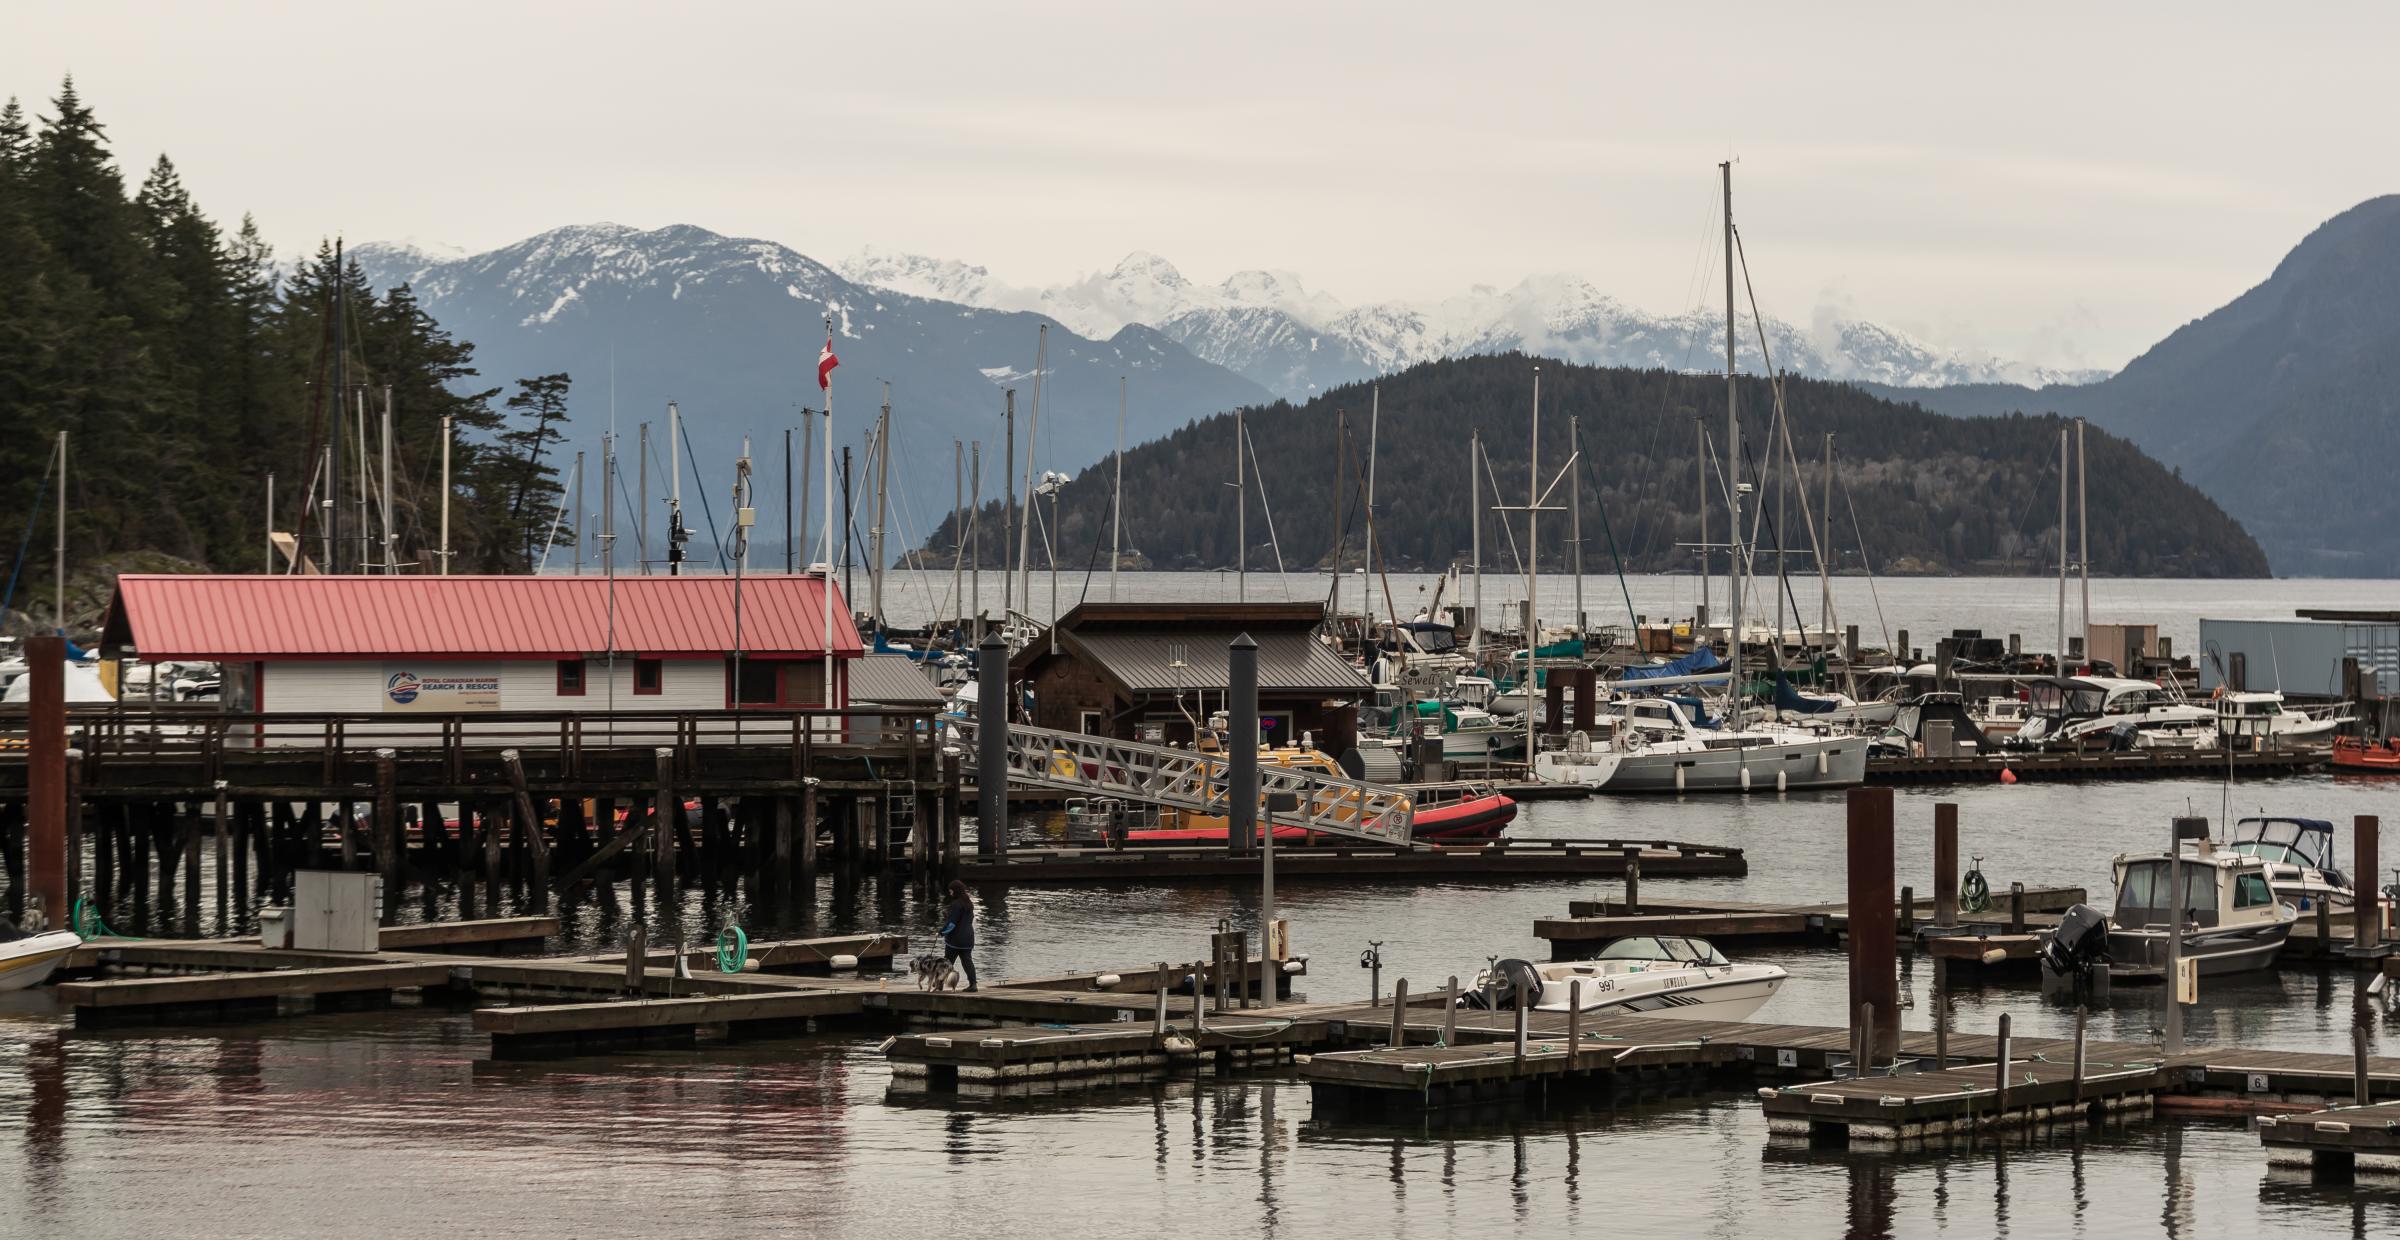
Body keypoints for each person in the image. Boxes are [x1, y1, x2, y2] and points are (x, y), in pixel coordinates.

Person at [939, 880, 977, 991]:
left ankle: (939, 983)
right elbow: (968, 919)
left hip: (955, 940)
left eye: (951, 891)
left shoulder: (955, 904)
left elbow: (952, 924)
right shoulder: (969, 903)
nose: (950, 893)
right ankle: (973, 984)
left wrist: (941, 932)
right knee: (967, 962)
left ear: (955, 891)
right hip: (968, 938)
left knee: (947, 962)